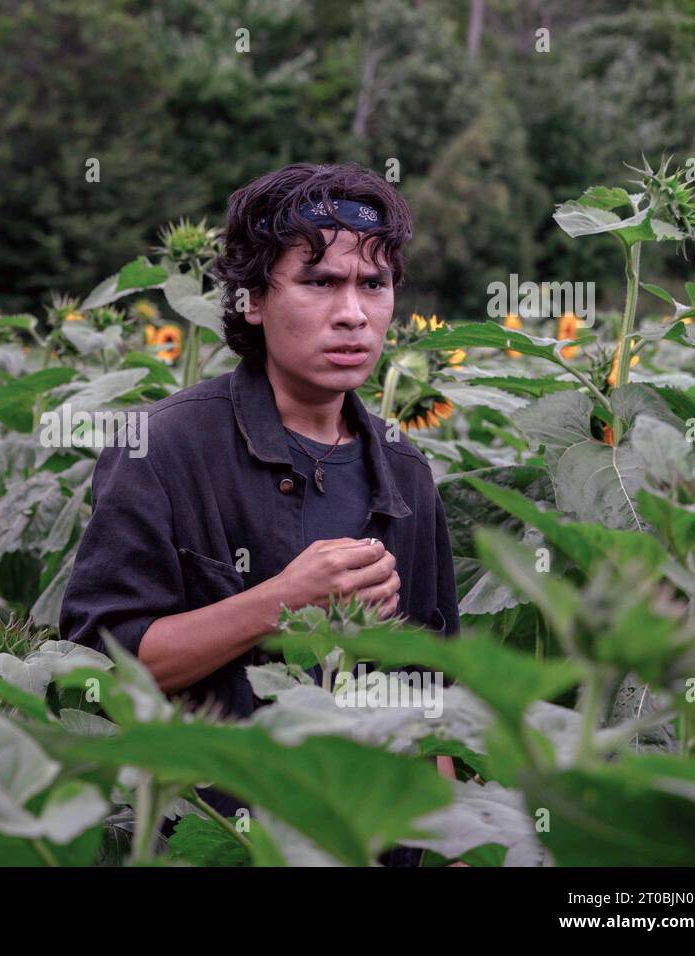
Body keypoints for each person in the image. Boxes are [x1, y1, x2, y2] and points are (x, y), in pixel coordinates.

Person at [58, 162, 462, 865]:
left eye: (374, 284)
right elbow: (100, 667)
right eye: (319, 282)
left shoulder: (405, 473)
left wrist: (458, 850)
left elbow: (431, 698)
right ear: (251, 300)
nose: (353, 313)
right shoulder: (163, 448)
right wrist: (283, 601)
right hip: (218, 842)